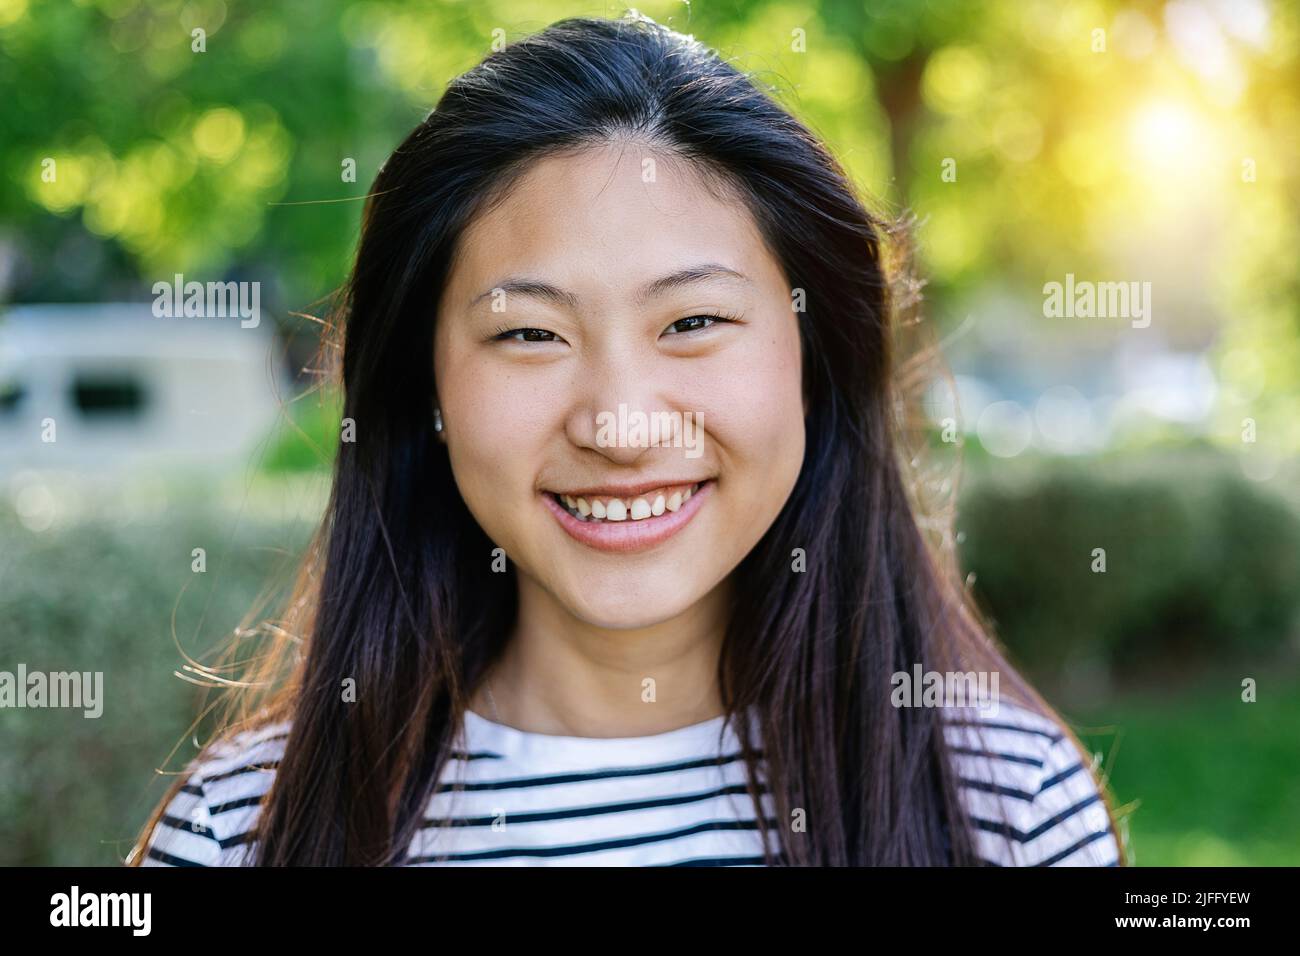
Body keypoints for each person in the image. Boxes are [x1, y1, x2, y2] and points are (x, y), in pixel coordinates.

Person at [131, 12, 1123, 867]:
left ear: (813, 361)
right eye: (529, 333)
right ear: (423, 380)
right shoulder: (243, 828)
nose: (618, 423)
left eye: (692, 322)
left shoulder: (1009, 813)